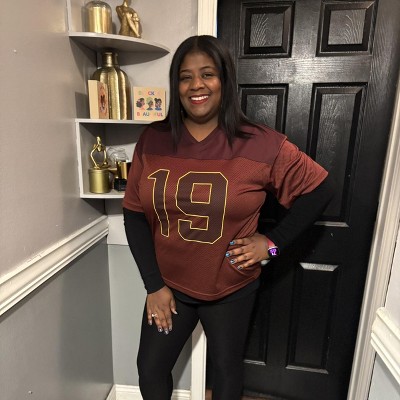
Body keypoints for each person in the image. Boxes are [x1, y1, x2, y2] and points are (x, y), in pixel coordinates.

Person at [122, 35, 334, 400]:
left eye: (207, 74)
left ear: (225, 80)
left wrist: (273, 245)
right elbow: (134, 214)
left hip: (230, 288)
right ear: (176, 85)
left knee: (225, 370)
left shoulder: (262, 143)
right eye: (185, 77)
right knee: (150, 368)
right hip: (168, 286)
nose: (196, 85)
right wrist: (153, 285)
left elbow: (322, 189)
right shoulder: (152, 139)